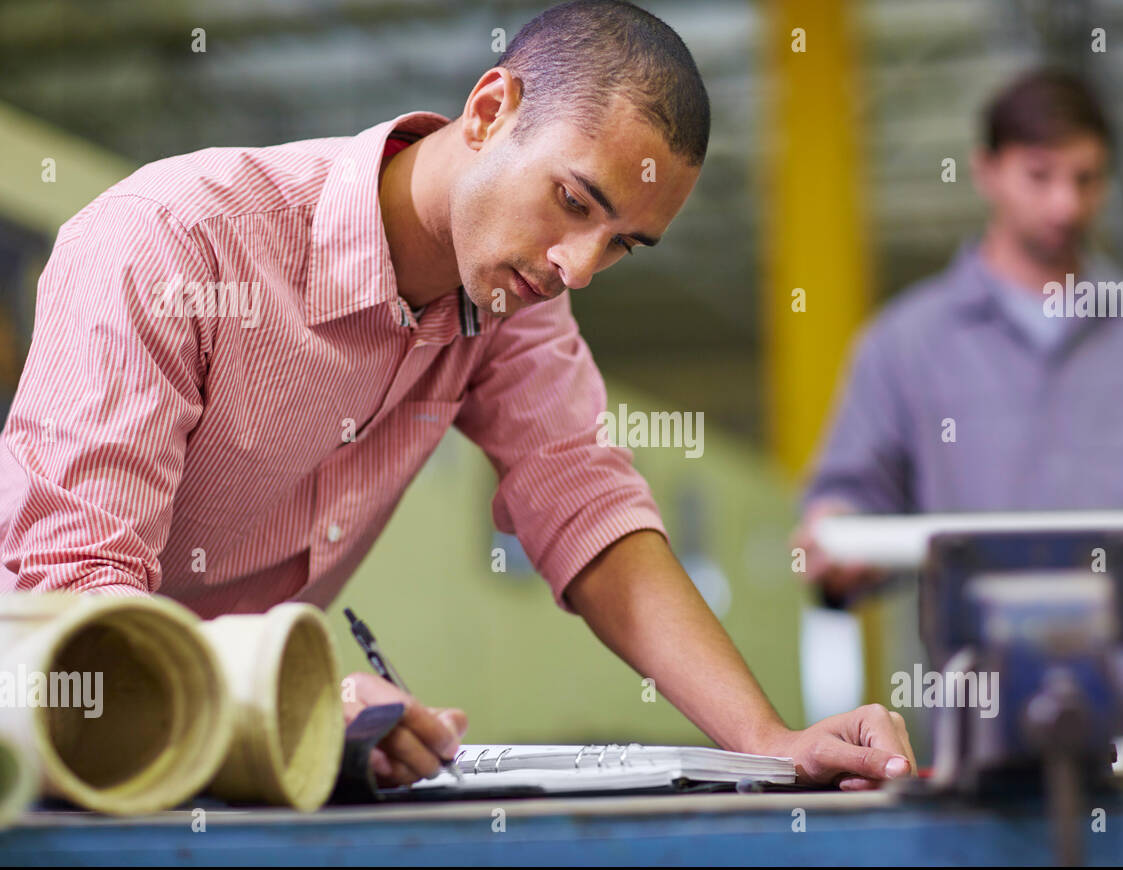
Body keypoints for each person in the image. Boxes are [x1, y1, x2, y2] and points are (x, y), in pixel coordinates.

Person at [0, 1, 914, 789]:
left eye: (624, 245)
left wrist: (769, 742)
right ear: (489, 110)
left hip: (224, 763)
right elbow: (69, 601)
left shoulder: (507, 306)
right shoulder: (171, 242)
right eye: (574, 200)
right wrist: (293, 695)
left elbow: (588, 508)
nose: (578, 268)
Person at [793, 67, 1123, 751]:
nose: (1065, 204)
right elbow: (848, 504)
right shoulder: (905, 346)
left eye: (1086, 178)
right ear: (986, 171)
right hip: (986, 751)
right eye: (1040, 176)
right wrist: (840, 536)